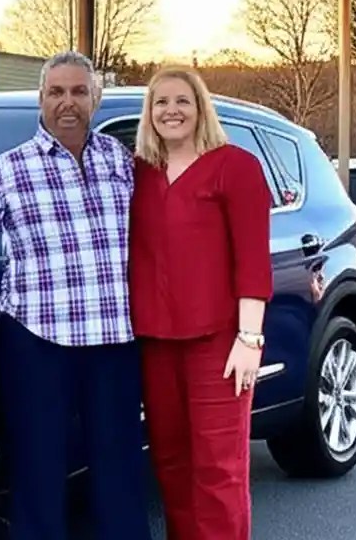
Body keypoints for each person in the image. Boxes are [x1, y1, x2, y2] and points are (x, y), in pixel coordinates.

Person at [0, 51, 151, 540]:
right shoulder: (9, 168)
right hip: (37, 339)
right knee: (38, 467)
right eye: (56, 92)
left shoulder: (120, 162)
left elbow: (164, 224)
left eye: (78, 92)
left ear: (95, 98)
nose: (67, 103)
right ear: (41, 100)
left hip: (112, 337)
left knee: (119, 467)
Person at [128, 64, 273, 540]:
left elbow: (253, 260)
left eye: (181, 101)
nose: (171, 111)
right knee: (171, 466)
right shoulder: (138, 173)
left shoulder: (235, 166)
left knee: (218, 469)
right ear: (149, 114)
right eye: (160, 103)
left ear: (200, 108)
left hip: (219, 344)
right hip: (155, 342)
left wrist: (249, 338)